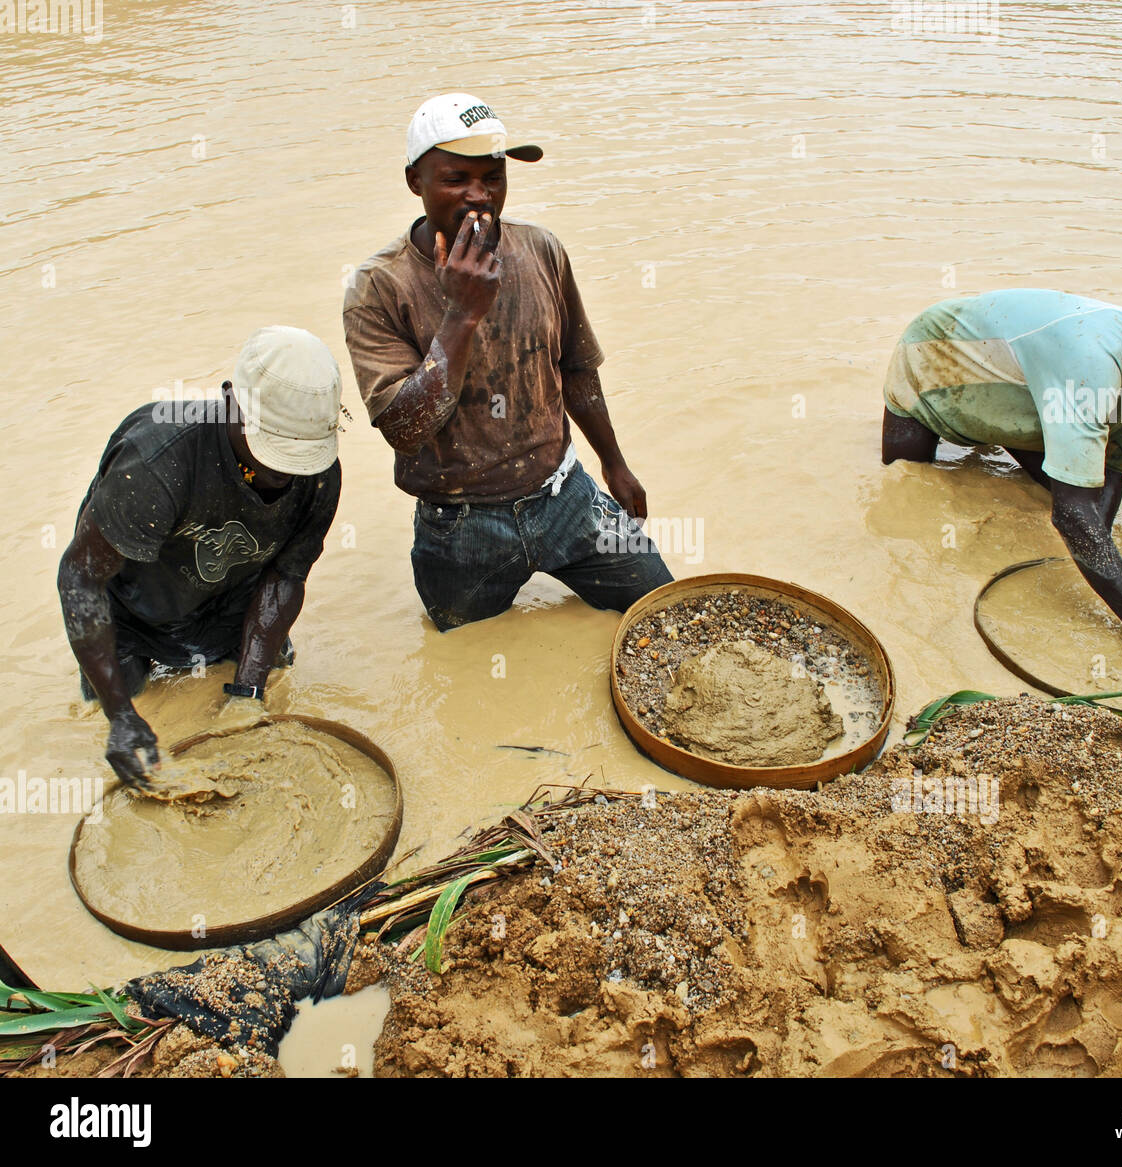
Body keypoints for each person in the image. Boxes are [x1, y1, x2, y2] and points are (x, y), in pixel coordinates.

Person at [342, 92, 672, 631]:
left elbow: (577, 367)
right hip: (460, 526)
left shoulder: (541, 249)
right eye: (456, 178)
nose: (479, 196)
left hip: (568, 497)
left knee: (661, 613)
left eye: (492, 177)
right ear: (414, 182)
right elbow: (404, 429)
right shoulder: (378, 286)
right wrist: (462, 314)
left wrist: (614, 462)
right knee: (462, 661)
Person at [880, 273, 1122, 689]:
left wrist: (1099, 547)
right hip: (938, 361)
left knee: (1084, 505)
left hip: (1026, 396)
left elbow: (1112, 467)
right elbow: (1072, 516)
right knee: (906, 482)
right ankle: (979, 429)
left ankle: (1007, 435)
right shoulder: (1093, 358)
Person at [58, 326, 343, 786]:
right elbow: (79, 578)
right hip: (134, 614)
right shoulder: (156, 460)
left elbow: (285, 576)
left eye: (299, 457)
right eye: (274, 449)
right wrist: (121, 717)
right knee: (111, 703)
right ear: (231, 402)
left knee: (273, 675)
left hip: (228, 605)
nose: (285, 471)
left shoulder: (319, 476)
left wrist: (248, 694)